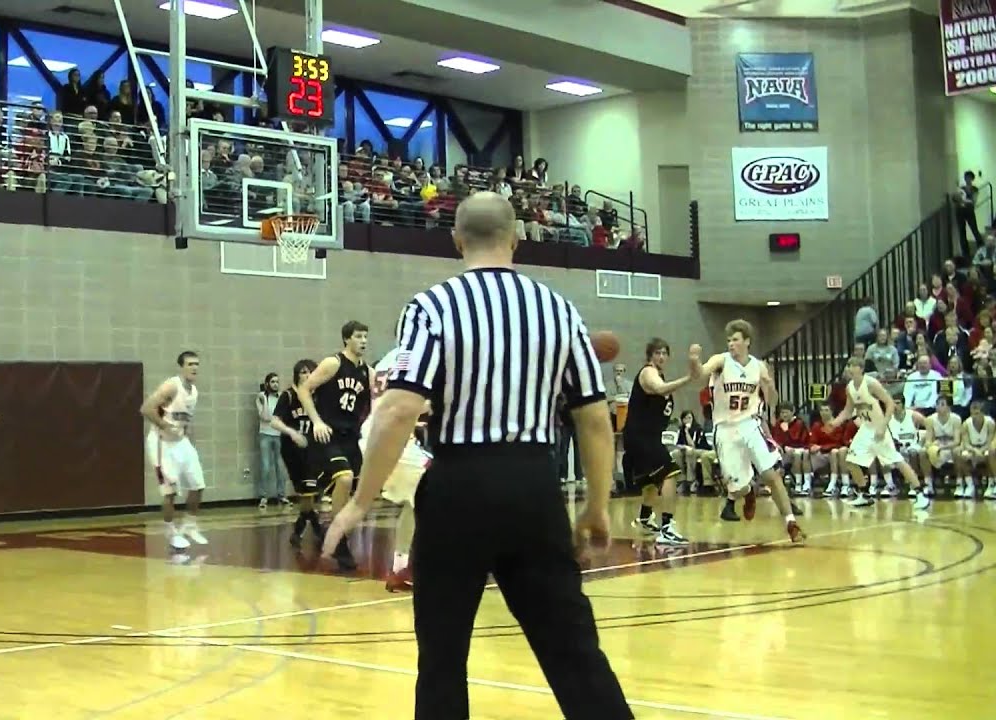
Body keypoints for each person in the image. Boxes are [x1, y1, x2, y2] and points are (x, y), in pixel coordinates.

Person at [323, 192, 632, 720]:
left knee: (442, 660)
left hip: (457, 487)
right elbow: (595, 419)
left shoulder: (431, 306)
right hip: (535, 487)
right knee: (574, 653)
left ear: (456, 240)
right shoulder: (559, 310)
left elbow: (398, 410)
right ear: (517, 239)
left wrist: (360, 501)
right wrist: (597, 506)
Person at [691, 320, 805, 542]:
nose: (731, 343)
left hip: (750, 424)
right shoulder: (721, 361)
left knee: (772, 474)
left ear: (747, 341)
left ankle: (791, 523)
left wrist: (769, 385)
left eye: (735, 339)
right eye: (729, 340)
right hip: (725, 429)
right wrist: (694, 361)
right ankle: (749, 493)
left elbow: (772, 401)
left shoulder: (758, 366)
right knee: (738, 485)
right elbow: (699, 374)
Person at [297, 321, 373, 571]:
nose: (363, 340)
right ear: (346, 339)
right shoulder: (333, 363)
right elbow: (304, 390)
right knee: (344, 478)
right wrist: (316, 421)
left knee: (360, 492)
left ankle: (336, 530)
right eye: (358, 336)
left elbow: (372, 405)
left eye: (365, 336)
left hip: (351, 437)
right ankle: (339, 539)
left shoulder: (368, 372)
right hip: (327, 434)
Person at [363, 344, 433, 592]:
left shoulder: (387, 358)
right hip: (391, 437)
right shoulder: (413, 359)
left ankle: (400, 568)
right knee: (440, 486)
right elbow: (408, 403)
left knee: (414, 500)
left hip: (381, 435)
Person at [827, 356, 932, 511]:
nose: (849, 368)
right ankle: (864, 494)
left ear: (860, 369)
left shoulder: (870, 383)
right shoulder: (849, 387)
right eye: (848, 365)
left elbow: (889, 403)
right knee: (850, 460)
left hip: (878, 428)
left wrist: (883, 425)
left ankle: (920, 493)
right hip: (865, 429)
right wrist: (834, 423)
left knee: (897, 461)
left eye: (852, 365)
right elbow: (848, 410)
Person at [622, 338, 698, 546]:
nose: (661, 357)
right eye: (657, 353)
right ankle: (667, 527)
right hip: (641, 437)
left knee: (649, 483)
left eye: (665, 353)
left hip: (643, 437)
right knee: (670, 473)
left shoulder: (658, 374)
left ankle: (645, 519)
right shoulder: (648, 373)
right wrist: (689, 378)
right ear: (650, 356)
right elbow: (661, 389)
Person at [139, 351, 207, 550]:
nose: (194, 367)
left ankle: (190, 525)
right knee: (170, 491)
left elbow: (186, 422)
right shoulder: (172, 385)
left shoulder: (194, 392)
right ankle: (170, 532)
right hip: (161, 442)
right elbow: (146, 408)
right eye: (190, 364)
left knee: (198, 485)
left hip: (180, 442)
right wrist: (164, 425)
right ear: (181, 367)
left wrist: (189, 442)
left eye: (196, 364)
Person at [270, 359, 324, 547]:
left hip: (313, 448)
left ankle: (307, 529)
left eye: (311, 372)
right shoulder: (289, 395)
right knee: (304, 492)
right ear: (296, 375)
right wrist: (292, 433)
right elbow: (274, 421)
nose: (307, 376)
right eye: (303, 372)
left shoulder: (317, 396)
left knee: (309, 491)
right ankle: (312, 527)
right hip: (292, 449)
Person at [255, 373, 292, 510]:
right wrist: (264, 399)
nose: (275, 384)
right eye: (272, 382)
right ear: (267, 384)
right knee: (265, 466)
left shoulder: (281, 397)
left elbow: (285, 416)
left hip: (279, 435)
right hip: (265, 434)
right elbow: (264, 417)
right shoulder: (261, 398)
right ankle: (263, 496)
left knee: (280, 466)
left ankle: (281, 495)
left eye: (277, 381)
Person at [886, 398, 928, 498]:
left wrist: (923, 441)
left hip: (912, 446)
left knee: (912, 452)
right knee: (883, 453)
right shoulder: (888, 418)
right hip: (897, 449)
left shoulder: (912, 415)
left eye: (897, 402)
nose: (895, 406)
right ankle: (890, 485)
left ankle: (914, 485)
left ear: (903, 404)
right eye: (893, 403)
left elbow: (930, 425)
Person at [924, 396, 963, 496]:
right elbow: (928, 441)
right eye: (937, 404)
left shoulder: (956, 419)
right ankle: (928, 484)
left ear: (949, 407)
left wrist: (942, 447)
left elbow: (957, 441)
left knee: (957, 451)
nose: (938, 407)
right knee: (922, 452)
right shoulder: (930, 419)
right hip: (938, 448)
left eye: (942, 404)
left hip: (951, 447)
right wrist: (931, 446)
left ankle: (959, 484)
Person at [958, 399, 996, 499]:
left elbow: (990, 441)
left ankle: (991, 485)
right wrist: (975, 451)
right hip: (972, 449)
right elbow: (965, 443)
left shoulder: (990, 423)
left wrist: (981, 451)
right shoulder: (966, 424)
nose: (975, 415)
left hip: (985, 448)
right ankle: (970, 485)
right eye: (973, 412)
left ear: (982, 413)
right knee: (961, 456)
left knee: (990, 455)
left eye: (977, 412)